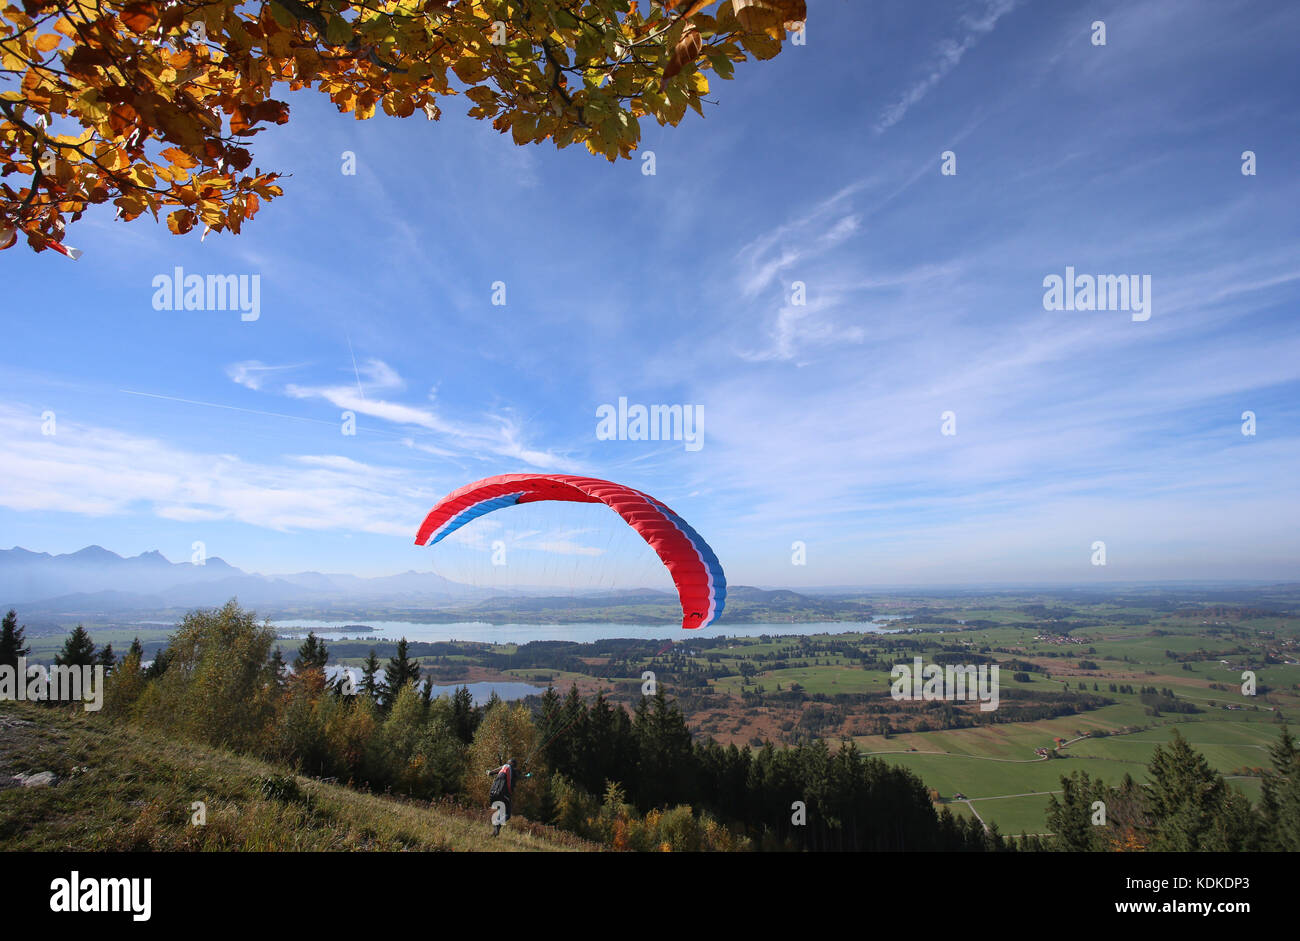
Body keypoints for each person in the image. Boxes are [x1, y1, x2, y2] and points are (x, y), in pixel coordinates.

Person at [486, 758, 530, 836]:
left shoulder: (503, 767)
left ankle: (495, 832)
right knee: (507, 814)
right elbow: (519, 776)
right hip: (503, 795)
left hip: (493, 793)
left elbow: (491, 772)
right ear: (513, 765)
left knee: (501, 811)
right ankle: (497, 824)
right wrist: (527, 776)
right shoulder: (512, 770)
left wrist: (489, 772)